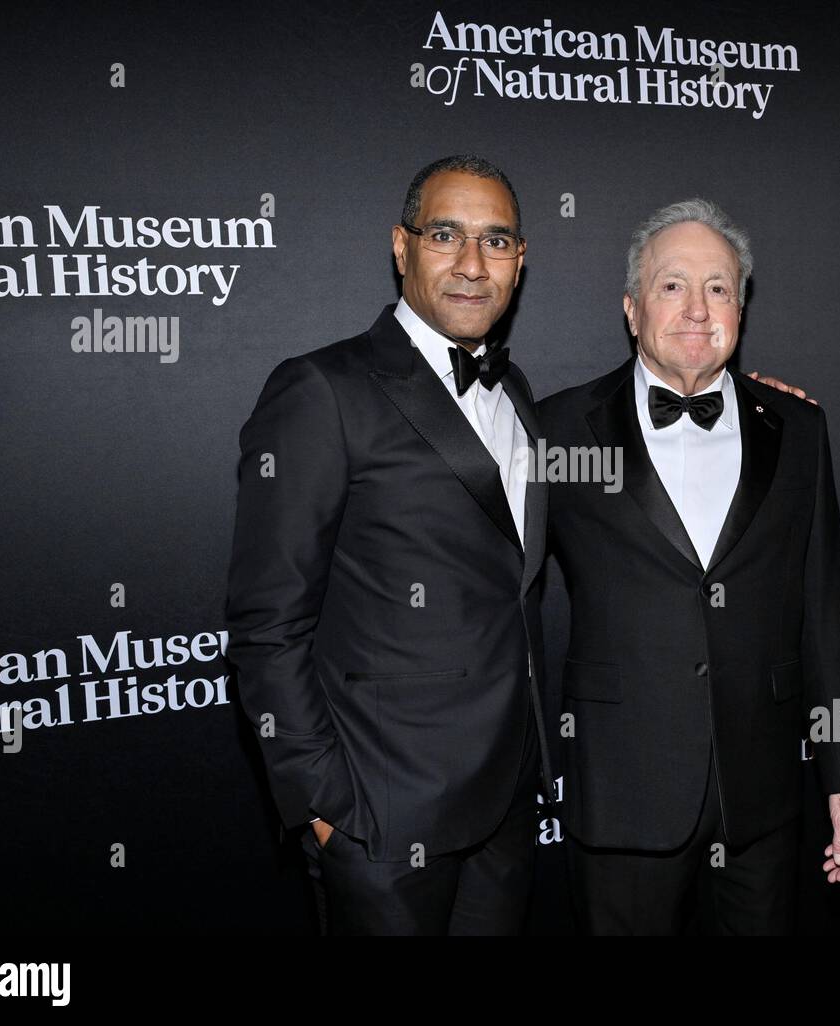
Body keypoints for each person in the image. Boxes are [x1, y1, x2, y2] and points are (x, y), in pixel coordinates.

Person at [224, 155, 555, 934]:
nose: (473, 265)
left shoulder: (517, 392)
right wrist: (324, 806)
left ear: (521, 259)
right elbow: (266, 624)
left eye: (497, 241)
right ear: (401, 247)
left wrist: (742, 402)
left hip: (506, 805)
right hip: (379, 818)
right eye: (446, 235)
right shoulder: (323, 391)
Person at [538, 198, 840, 935]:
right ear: (632, 309)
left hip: (759, 802)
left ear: (741, 307)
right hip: (622, 796)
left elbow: (824, 620)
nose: (697, 309)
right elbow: (505, 600)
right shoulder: (555, 430)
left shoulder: (798, 430)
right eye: (672, 285)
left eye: (718, 287)